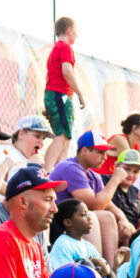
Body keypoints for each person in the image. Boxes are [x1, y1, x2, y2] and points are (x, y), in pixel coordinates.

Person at [51, 130, 132, 262]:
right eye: (100, 152)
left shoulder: (93, 175)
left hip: (74, 222)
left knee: (113, 219)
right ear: (84, 151)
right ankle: (96, 269)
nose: (105, 157)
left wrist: (123, 220)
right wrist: (115, 180)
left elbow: (109, 205)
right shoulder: (70, 167)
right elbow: (95, 204)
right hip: (58, 222)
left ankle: (111, 271)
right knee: (94, 216)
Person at [43, 17, 88, 171]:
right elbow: (67, 71)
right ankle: (48, 170)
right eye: (76, 32)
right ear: (69, 31)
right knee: (62, 135)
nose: (76, 36)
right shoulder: (65, 48)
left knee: (66, 136)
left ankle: (60, 170)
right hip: (59, 94)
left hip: (56, 94)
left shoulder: (56, 48)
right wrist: (80, 94)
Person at [48, 199, 104, 270]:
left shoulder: (87, 245)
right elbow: (63, 273)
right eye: (83, 214)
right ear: (68, 222)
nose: (89, 218)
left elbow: (105, 268)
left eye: (88, 214)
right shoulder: (63, 244)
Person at [108, 149, 140, 229]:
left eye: (135, 171)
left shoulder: (137, 193)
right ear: (116, 166)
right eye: (126, 169)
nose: (130, 175)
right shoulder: (103, 181)